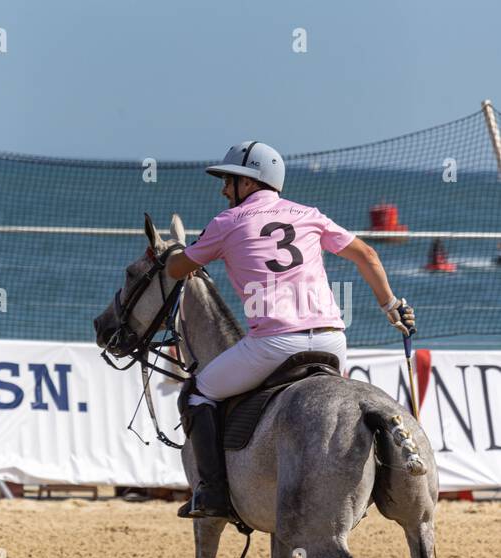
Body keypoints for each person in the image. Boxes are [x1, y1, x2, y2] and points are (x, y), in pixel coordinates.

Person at [163, 141, 416, 519]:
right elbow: (368, 255)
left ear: (248, 183)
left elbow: (176, 271)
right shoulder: (309, 213)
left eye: (228, 181)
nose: (222, 190)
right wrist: (390, 306)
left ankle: (213, 493)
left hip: (275, 343)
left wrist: (182, 253)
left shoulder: (226, 222)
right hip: (332, 340)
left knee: (198, 392)